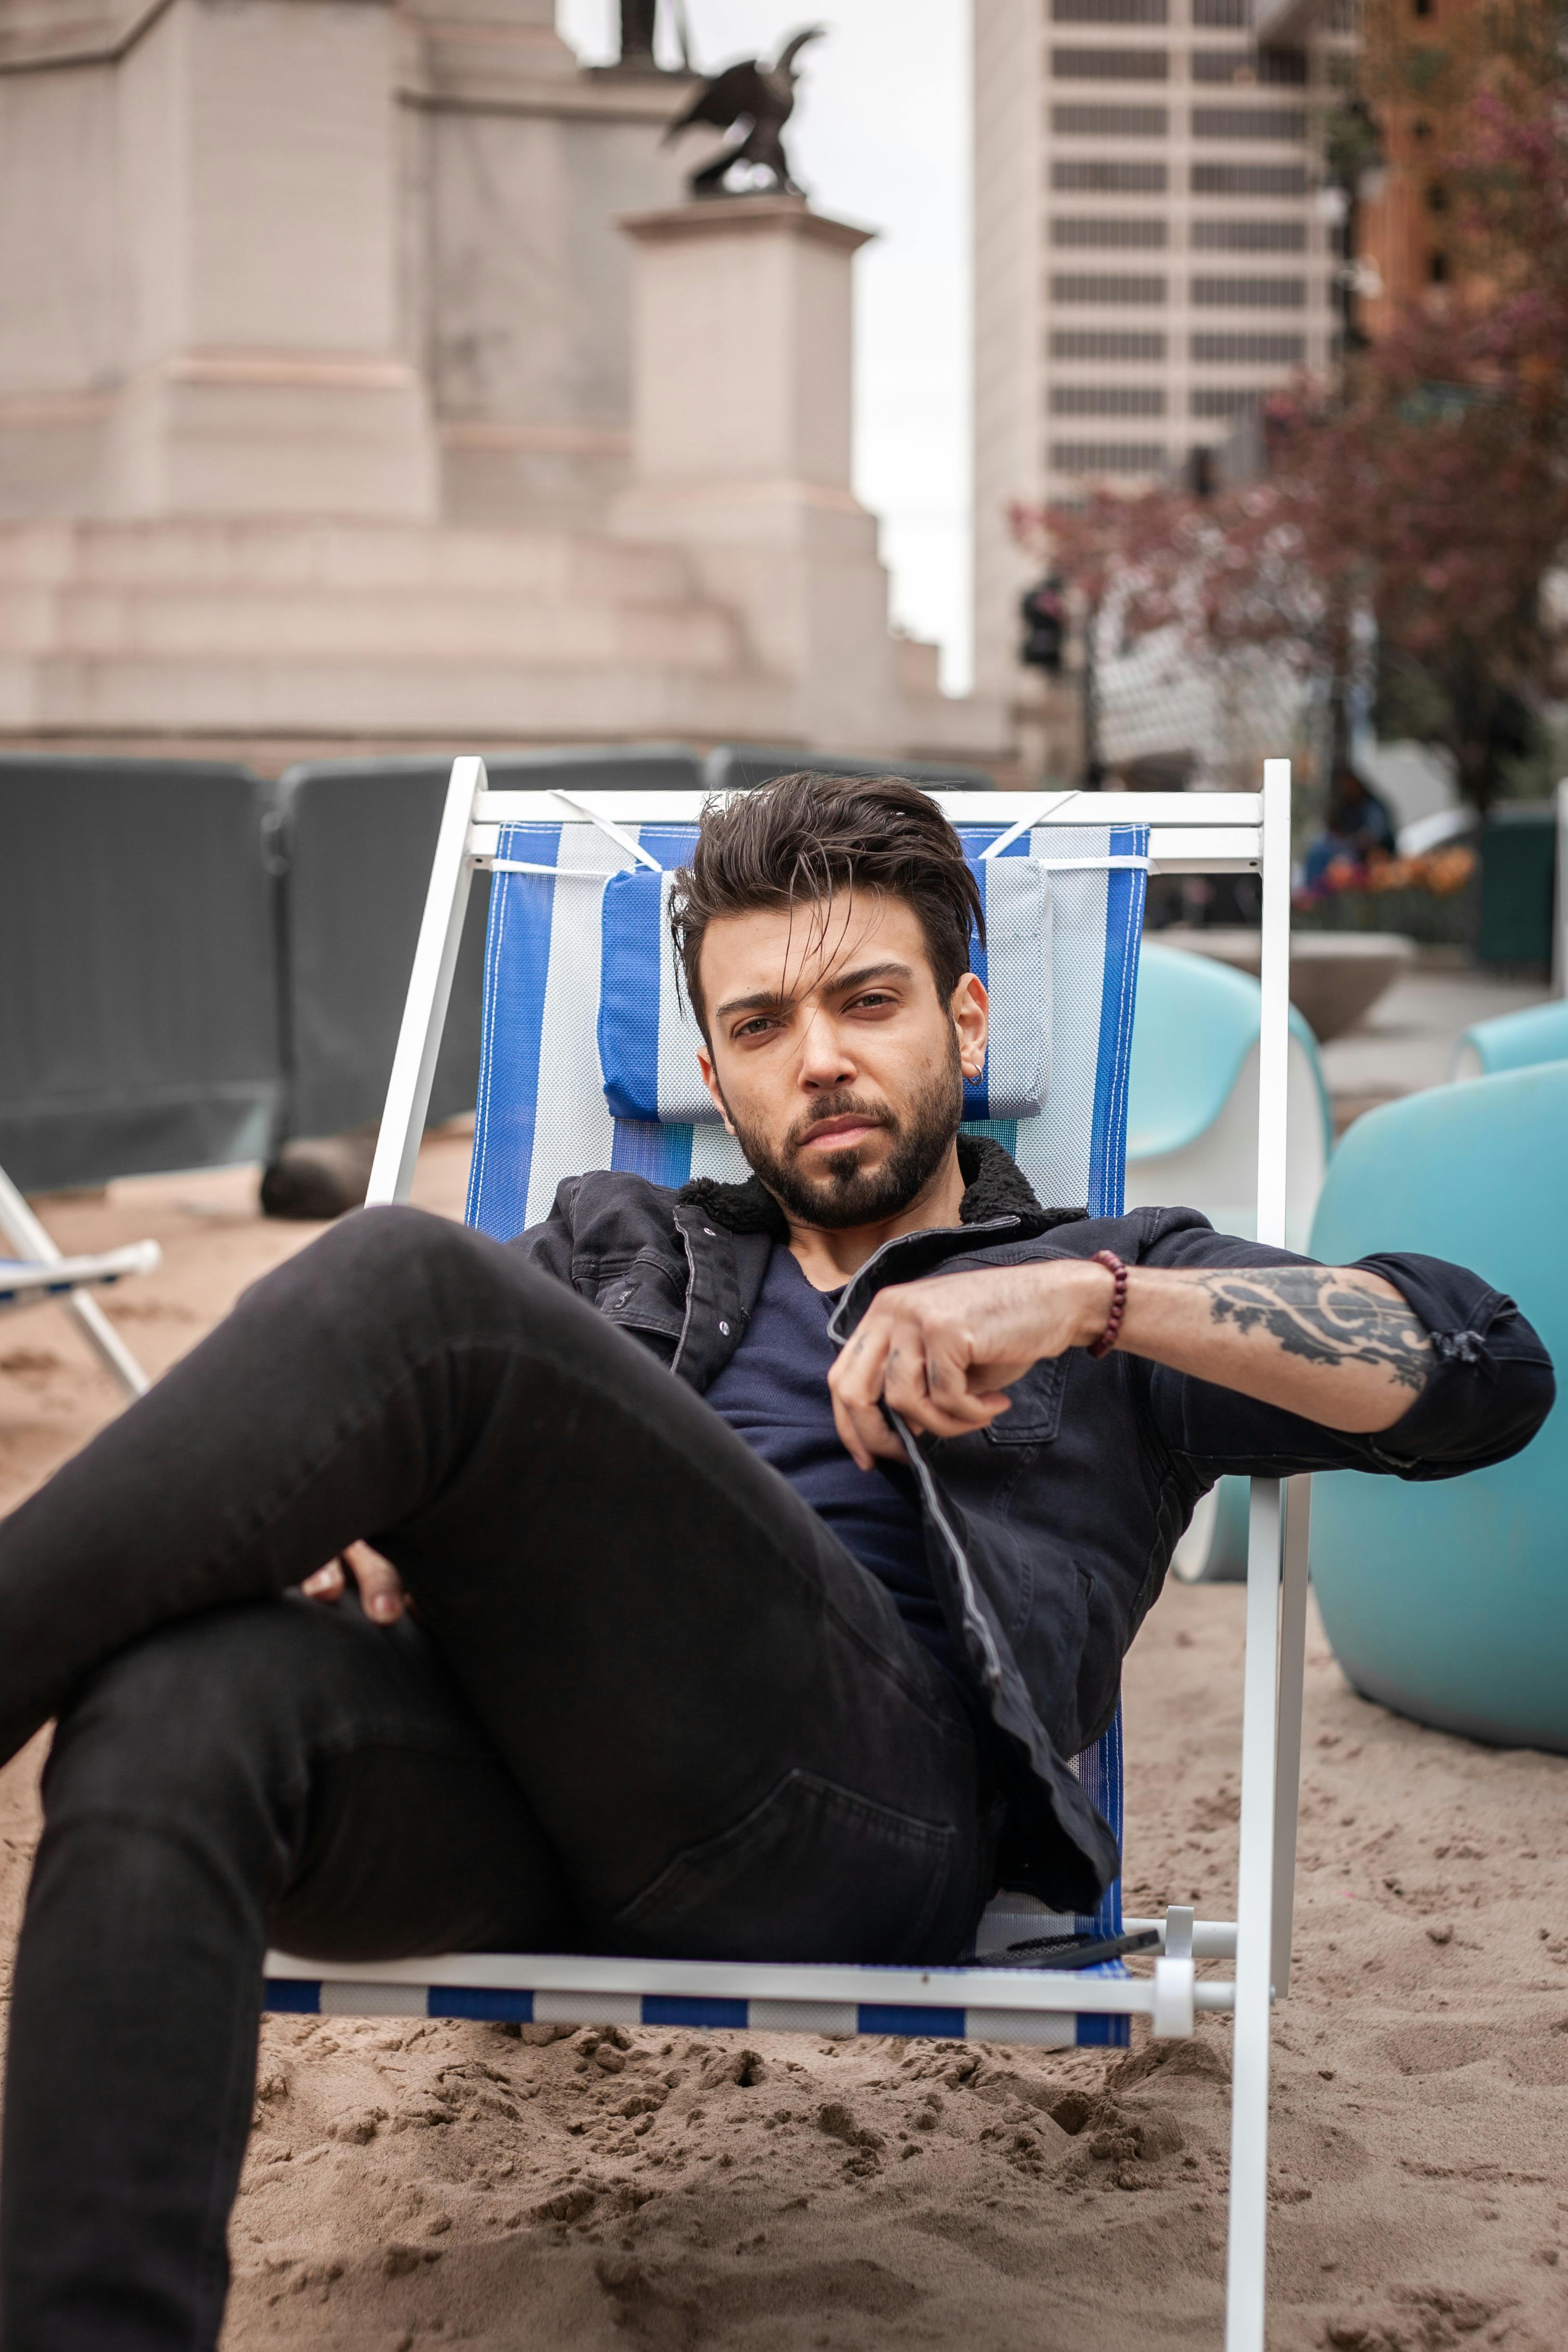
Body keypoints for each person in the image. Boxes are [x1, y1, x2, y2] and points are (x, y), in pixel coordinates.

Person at [0, 775, 1552, 2352]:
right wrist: (350, 1508)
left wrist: (1083, 1303)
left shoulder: (1103, 1283)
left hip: (861, 1816)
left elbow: (1483, 1369)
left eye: (866, 1001)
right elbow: (385, 1398)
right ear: (710, 1072)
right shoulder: (611, 1243)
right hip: (518, 1813)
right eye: (758, 1027)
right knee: (175, 1701)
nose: (816, 1058)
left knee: (410, 1277)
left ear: (962, 1019)